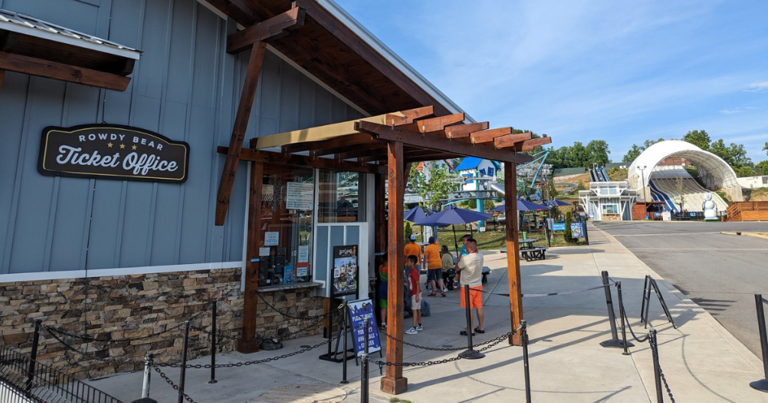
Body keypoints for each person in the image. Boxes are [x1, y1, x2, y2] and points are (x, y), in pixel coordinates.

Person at [456, 238, 484, 335]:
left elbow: (457, 268)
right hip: (478, 284)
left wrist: (459, 259)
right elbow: (477, 251)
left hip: (467, 286)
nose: (465, 248)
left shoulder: (466, 258)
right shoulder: (480, 255)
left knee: (469, 308)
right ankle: (481, 327)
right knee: (479, 306)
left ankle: (470, 329)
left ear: (470, 248)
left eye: (467, 247)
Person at [405, 255, 422, 334]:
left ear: (412, 263)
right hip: (415, 292)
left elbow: (417, 283)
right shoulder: (411, 271)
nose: (407, 262)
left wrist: (417, 295)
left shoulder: (414, 272)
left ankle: (414, 327)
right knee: (417, 309)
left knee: (414, 309)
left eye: (408, 261)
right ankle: (419, 324)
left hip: (415, 293)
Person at [377, 255, 388, 330]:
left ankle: (383, 323)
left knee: (383, 308)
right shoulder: (388, 269)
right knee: (389, 307)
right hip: (388, 288)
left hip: (381, 288)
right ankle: (389, 322)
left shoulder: (380, 267)